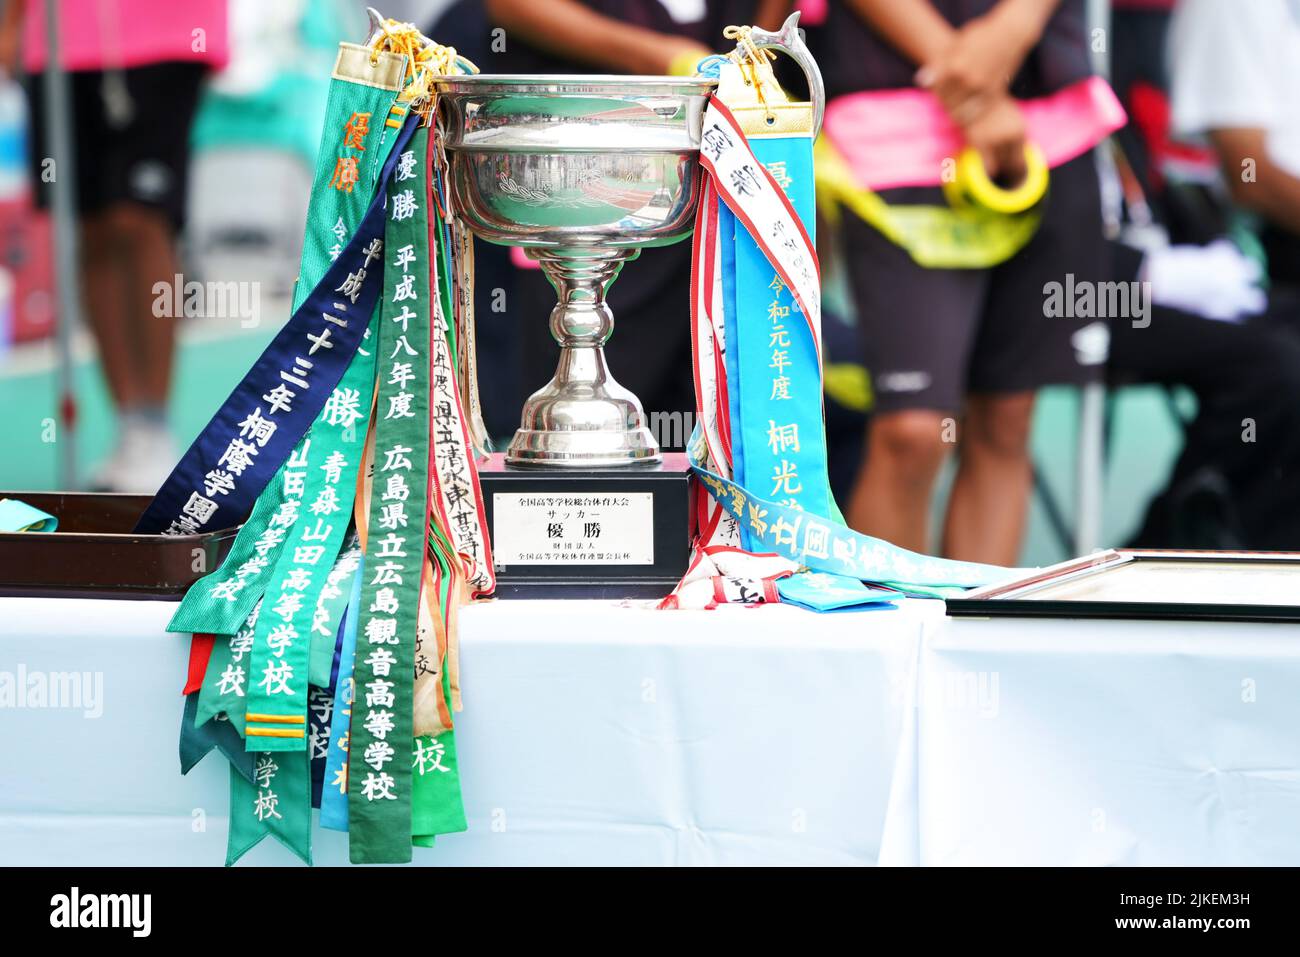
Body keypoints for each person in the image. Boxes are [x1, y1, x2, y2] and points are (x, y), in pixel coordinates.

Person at [811, 0, 1106, 565]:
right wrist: (970, 77)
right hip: (892, 128)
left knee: (1007, 417)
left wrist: (1014, 24)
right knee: (913, 431)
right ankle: (883, 639)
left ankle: (979, 637)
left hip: (1052, 126)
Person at [480, 0, 792, 447]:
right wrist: (663, 60)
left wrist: (749, 78)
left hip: (710, 183)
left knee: (703, 427)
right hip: (579, 186)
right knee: (575, 424)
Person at [1, 0, 228, 490]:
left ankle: (154, 423)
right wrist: (13, 21)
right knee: (91, 224)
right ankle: (131, 429)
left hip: (163, 32)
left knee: (141, 219)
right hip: (60, 38)